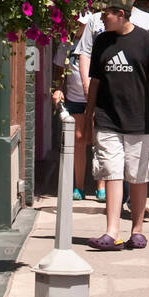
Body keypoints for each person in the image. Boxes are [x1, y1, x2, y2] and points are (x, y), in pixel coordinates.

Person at [83, 0, 149, 251]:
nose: (102, 18)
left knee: (137, 176)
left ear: (121, 14)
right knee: (111, 173)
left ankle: (137, 230)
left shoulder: (145, 41)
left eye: (106, 13)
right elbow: (96, 81)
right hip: (107, 118)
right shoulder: (101, 41)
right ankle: (111, 232)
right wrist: (89, 113)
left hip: (139, 120)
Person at [51, 14, 93, 199]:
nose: (77, 26)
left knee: (97, 139)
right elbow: (60, 72)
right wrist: (58, 89)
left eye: (81, 24)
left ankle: (101, 186)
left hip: (95, 98)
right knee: (78, 140)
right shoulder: (66, 45)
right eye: (75, 22)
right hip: (75, 98)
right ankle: (79, 185)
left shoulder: (96, 43)